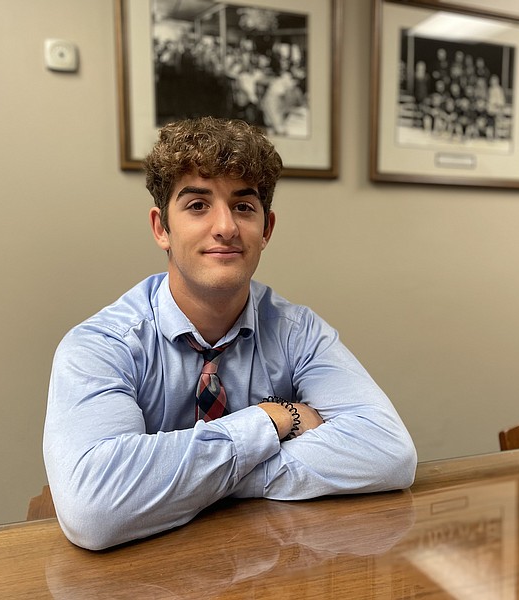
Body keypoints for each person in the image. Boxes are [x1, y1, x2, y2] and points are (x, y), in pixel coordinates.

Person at [43, 117, 418, 551]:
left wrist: (194, 485)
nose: (225, 227)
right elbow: (96, 508)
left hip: (266, 571)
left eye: (243, 206)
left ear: (267, 229)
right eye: (198, 205)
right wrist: (275, 420)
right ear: (161, 228)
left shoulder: (298, 331)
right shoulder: (100, 346)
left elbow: (389, 452)